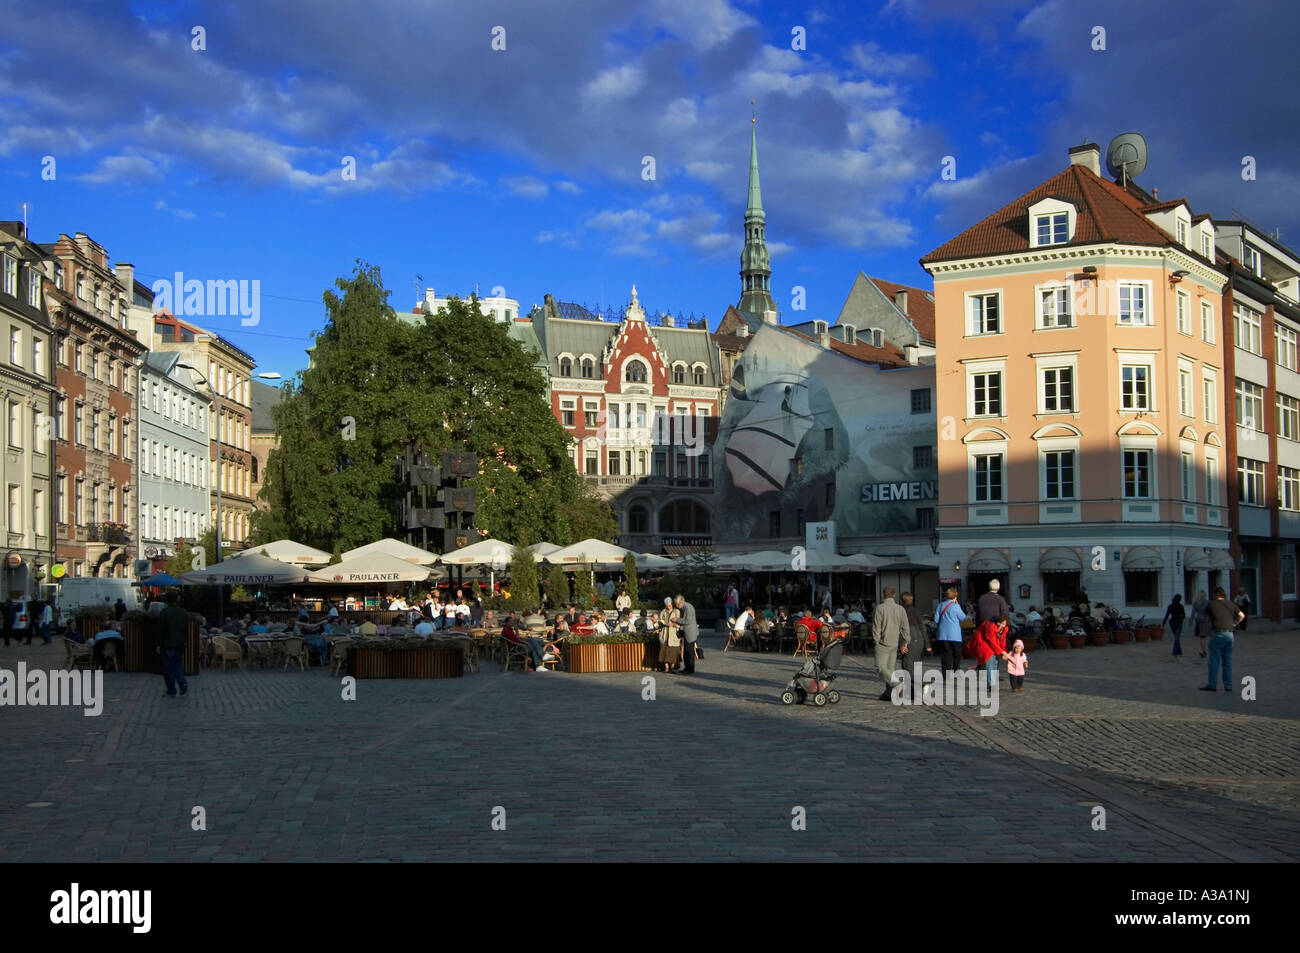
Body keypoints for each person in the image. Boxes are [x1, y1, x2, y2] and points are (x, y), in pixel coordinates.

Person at [1200, 587, 1244, 693]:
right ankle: (1228, 685)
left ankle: (1212, 684)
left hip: (1217, 634)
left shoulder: (1211, 604)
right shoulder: (1230, 603)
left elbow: (1205, 619)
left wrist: (1203, 635)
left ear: (1215, 594)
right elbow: (1242, 615)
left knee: (1214, 661)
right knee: (1227, 661)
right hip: (1229, 634)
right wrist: (1234, 624)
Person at [871, 587, 910, 701]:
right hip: (895, 642)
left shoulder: (879, 608)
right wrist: (905, 642)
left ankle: (897, 683)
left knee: (880, 667)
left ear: (883, 595)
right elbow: (905, 627)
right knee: (890, 668)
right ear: (894, 595)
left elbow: (876, 627)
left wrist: (875, 641)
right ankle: (889, 693)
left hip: (882, 643)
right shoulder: (900, 609)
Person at [158, 592, 190, 697]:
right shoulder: (183, 612)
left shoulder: (164, 612)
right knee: (177, 664)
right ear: (177, 599)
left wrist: (159, 644)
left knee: (168, 667)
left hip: (168, 643)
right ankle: (182, 682)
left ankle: (171, 689)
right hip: (180, 643)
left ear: (166, 600)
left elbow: (161, 630)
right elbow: (186, 629)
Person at [970, 613, 1010, 692]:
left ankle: (993, 683)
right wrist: (1002, 651)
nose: (1000, 625)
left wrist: (1003, 650)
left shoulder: (1005, 629)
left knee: (995, 663)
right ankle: (991, 684)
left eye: (1003, 624)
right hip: (984, 644)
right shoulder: (990, 626)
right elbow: (991, 641)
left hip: (994, 646)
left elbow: (1002, 640)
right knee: (989, 664)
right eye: (999, 622)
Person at [933, 586, 966, 677]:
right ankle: (956, 671)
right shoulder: (956, 606)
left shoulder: (940, 605)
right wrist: (957, 605)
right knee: (957, 655)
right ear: (955, 597)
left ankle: (946, 675)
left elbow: (936, 620)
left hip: (943, 635)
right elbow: (963, 617)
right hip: (955, 635)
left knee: (946, 655)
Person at [676, 594, 700, 674]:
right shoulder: (686, 606)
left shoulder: (688, 608)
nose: (676, 605)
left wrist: (677, 619)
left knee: (689, 652)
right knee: (687, 651)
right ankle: (687, 668)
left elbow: (687, 621)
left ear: (681, 602)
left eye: (677, 604)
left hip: (690, 633)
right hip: (688, 632)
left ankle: (690, 669)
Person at [659, 597, 682, 673]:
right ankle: (666, 667)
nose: (669, 607)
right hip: (665, 634)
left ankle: (672, 667)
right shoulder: (663, 611)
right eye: (667, 606)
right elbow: (660, 620)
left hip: (673, 634)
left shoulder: (676, 611)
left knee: (673, 651)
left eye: (670, 605)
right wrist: (663, 623)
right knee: (664, 651)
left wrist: (673, 624)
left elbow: (679, 622)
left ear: (672, 604)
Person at [1162, 594, 1186, 658]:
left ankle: (1178, 651)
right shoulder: (1181, 606)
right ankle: (1176, 651)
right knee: (1177, 637)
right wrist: (1181, 617)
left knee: (1176, 637)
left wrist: (1163, 623)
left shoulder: (1170, 606)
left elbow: (1167, 615)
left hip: (1172, 623)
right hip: (1179, 622)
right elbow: (1184, 615)